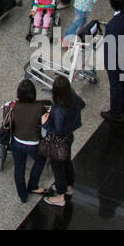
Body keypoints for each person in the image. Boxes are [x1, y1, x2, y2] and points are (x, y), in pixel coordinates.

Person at [40, 75, 85, 206]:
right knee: (66, 161)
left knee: (58, 167)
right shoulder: (72, 95)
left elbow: (57, 130)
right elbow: (82, 104)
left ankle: (60, 195)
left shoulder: (60, 109)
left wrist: (46, 123)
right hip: (69, 136)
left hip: (58, 142)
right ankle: (69, 186)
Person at [9, 77, 49, 202]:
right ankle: (33, 185)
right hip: (33, 144)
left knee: (19, 168)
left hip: (17, 142)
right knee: (40, 160)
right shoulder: (39, 108)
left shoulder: (15, 107)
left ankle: (22, 195)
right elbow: (44, 123)